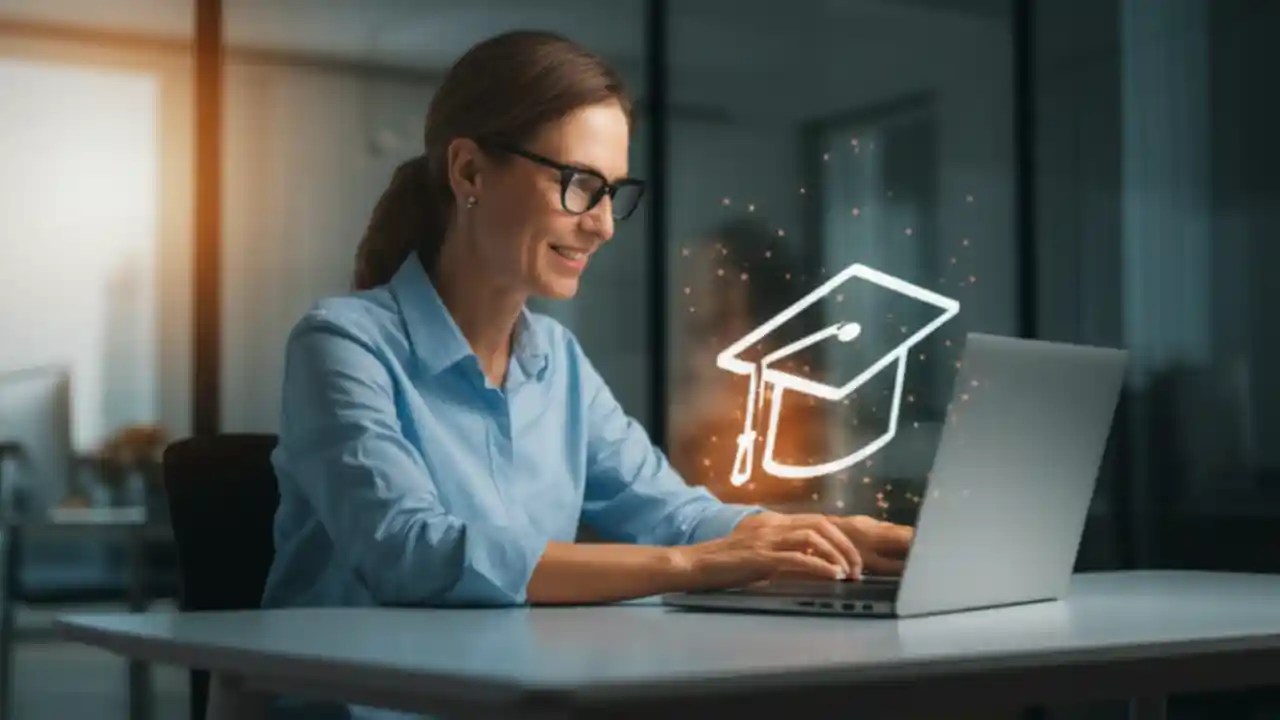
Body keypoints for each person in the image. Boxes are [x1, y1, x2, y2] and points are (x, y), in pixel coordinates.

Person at [260, 30, 914, 718]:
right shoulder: (342, 342)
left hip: (510, 698)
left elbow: (672, 512)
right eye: (577, 185)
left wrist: (818, 534)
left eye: (613, 192)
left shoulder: (559, 366)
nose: (603, 225)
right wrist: (690, 568)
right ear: (470, 173)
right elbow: (410, 551)